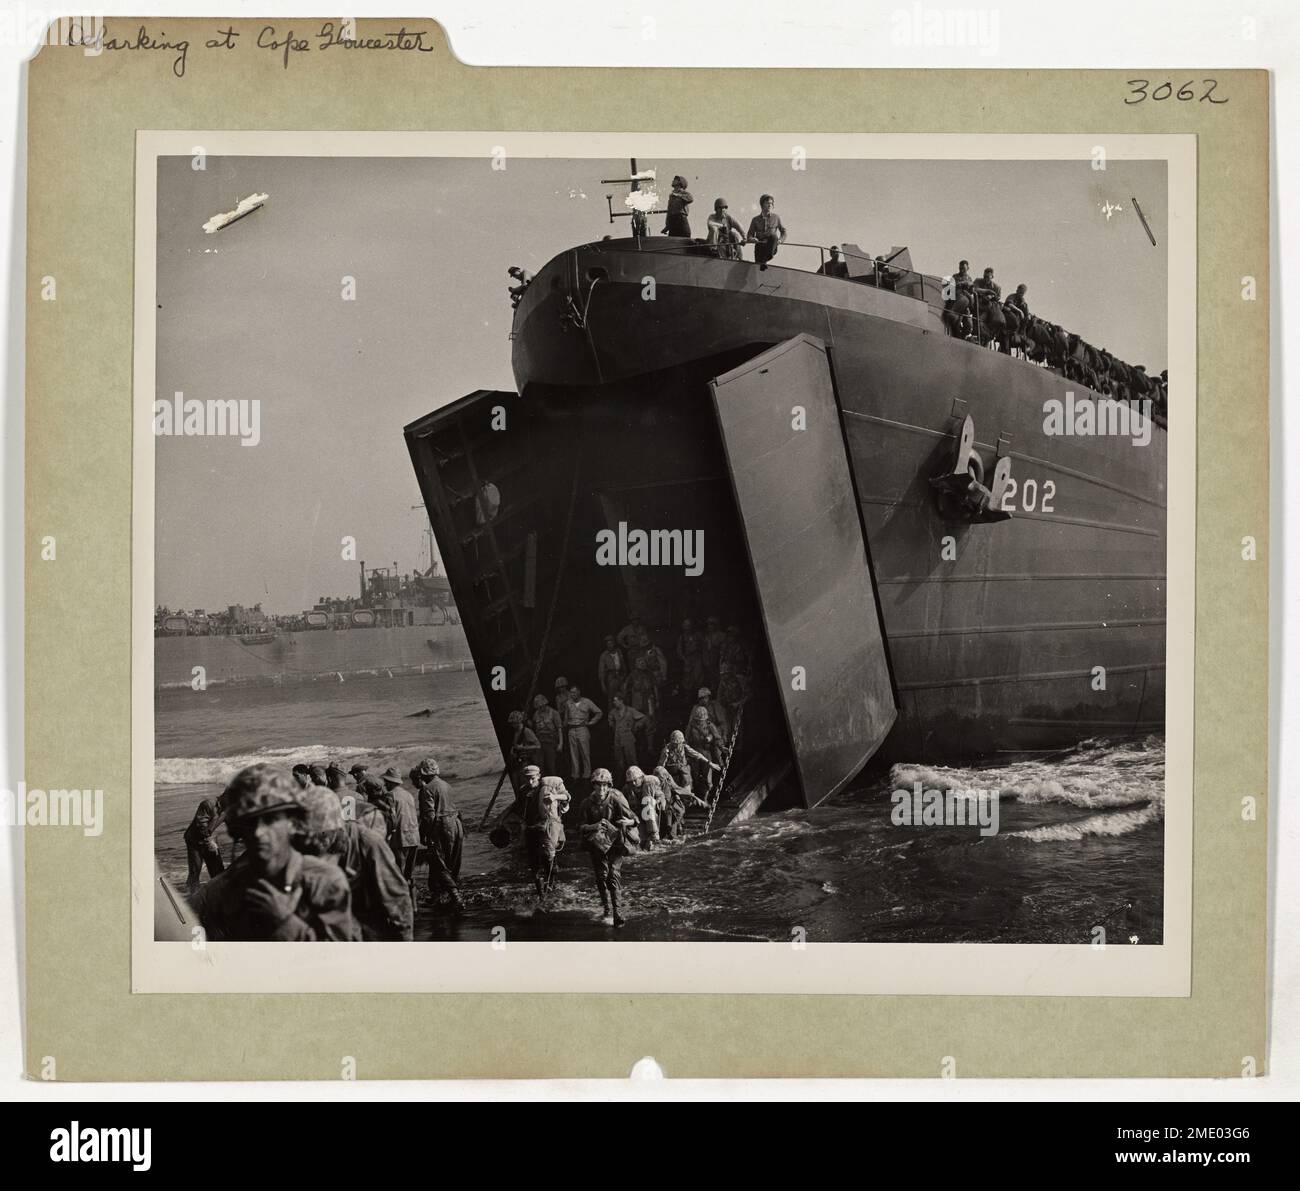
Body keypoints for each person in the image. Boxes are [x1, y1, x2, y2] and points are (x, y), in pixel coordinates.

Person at [190, 764, 356, 941]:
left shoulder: (325, 881)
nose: (260, 832)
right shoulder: (224, 886)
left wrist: (285, 921)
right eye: (251, 824)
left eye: (270, 820)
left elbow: (338, 951)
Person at [294, 786, 413, 942]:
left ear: (336, 825)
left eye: (322, 833)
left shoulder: (367, 842)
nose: (315, 840)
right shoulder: (301, 843)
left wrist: (405, 941)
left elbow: (396, 896)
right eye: (310, 834)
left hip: (367, 926)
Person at [578, 769, 637, 927]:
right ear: (593, 785)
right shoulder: (586, 803)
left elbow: (634, 819)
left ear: (609, 785)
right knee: (601, 876)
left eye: (605, 785)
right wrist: (594, 826)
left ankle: (618, 913)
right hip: (596, 845)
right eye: (598, 785)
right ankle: (606, 909)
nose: (601, 789)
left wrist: (628, 822)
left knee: (613, 875)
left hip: (616, 843)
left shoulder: (616, 799)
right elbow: (581, 827)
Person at [415, 758, 465, 909]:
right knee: (453, 861)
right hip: (456, 824)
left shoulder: (427, 789)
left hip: (441, 826)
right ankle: (440, 895)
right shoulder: (447, 785)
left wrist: (423, 834)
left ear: (424, 773)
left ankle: (456, 897)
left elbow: (429, 816)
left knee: (438, 861)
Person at [522, 767, 571, 909]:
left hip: (547, 825)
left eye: (533, 778)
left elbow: (567, 796)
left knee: (548, 856)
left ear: (539, 776)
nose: (531, 781)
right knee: (533, 862)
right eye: (528, 779)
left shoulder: (551, 785)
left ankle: (550, 884)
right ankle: (541, 894)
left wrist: (555, 797)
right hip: (531, 827)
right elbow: (519, 808)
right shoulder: (524, 791)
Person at [183, 790, 228, 896]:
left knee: (218, 872)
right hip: (194, 840)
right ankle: (190, 897)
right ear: (225, 795)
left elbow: (235, 824)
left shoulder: (229, 808)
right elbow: (201, 825)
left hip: (209, 839)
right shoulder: (207, 804)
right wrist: (210, 840)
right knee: (195, 870)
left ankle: (216, 897)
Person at [380, 766, 420, 883]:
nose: (384, 784)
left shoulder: (389, 796)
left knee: (399, 873)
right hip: (414, 836)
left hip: (400, 838)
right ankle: (411, 897)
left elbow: (390, 819)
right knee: (409, 874)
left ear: (389, 781)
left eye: (385, 781)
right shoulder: (409, 795)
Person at [657, 729, 719, 798]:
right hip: (673, 775)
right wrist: (665, 758)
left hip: (684, 774)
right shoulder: (666, 750)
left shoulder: (684, 747)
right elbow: (660, 767)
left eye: (678, 744)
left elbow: (697, 754)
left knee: (687, 794)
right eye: (675, 744)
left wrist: (709, 763)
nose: (676, 746)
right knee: (674, 795)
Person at [563, 683, 603, 782]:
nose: (572, 695)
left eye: (574, 692)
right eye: (571, 693)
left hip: (582, 729)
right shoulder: (568, 703)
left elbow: (599, 712)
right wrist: (564, 727)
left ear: (579, 692)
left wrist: (591, 722)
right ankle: (575, 775)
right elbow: (566, 717)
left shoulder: (587, 702)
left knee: (585, 753)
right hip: (571, 729)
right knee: (573, 754)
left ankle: (587, 774)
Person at [654, 764, 705, 840]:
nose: (661, 780)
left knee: (672, 828)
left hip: (670, 809)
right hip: (660, 810)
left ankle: (673, 835)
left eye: (662, 778)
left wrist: (692, 796)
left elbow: (677, 788)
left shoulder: (668, 780)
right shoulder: (653, 783)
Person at [624, 766, 663, 850]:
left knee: (647, 802)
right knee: (641, 843)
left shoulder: (649, 782)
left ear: (641, 777)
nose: (633, 783)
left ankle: (654, 837)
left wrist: (657, 801)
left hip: (652, 812)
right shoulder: (627, 789)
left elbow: (660, 796)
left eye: (635, 780)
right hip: (638, 815)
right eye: (631, 782)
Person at [607, 694, 646, 777]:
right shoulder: (613, 712)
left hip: (628, 737)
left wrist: (636, 726)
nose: (614, 702)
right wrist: (612, 725)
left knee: (631, 759)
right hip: (617, 738)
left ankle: (637, 776)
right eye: (613, 701)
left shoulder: (630, 710)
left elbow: (643, 718)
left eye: (615, 700)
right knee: (619, 760)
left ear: (621, 701)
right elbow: (610, 720)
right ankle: (621, 778)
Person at [746, 194, 787, 270]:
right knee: (758, 269)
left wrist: (780, 240)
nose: (770, 205)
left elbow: (784, 231)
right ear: (762, 205)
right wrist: (752, 239)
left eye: (771, 203)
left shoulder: (776, 217)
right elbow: (749, 235)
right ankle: (762, 263)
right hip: (760, 246)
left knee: (773, 236)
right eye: (767, 203)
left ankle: (764, 261)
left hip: (771, 245)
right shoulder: (755, 220)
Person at [530, 693, 563, 776]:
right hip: (539, 742)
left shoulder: (554, 713)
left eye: (542, 706)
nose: (540, 708)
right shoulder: (536, 714)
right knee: (540, 765)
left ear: (545, 703)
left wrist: (560, 744)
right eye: (538, 706)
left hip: (551, 741)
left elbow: (559, 729)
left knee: (551, 765)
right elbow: (534, 727)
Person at [507, 710, 542, 785]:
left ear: (518, 722)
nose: (512, 725)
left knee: (526, 783)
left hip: (526, 761)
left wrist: (523, 748)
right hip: (517, 761)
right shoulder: (515, 732)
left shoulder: (527, 731)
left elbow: (538, 745)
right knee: (515, 782)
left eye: (514, 723)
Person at [676, 618, 707, 691]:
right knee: (687, 678)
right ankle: (688, 695)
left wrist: (705, 659)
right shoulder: (682, 638)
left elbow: (704, 647)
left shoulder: (698, 635)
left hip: (697, 658)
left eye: (688, 625)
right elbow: (679, 651)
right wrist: (684, 659)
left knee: (698, 676)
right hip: (688, 659)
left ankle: (698, 694)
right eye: (685, 625)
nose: (687, 627)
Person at [597, 635, 626, 704]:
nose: (610, 645)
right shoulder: (604, 655)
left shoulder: (619, 652)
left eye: (611, 643)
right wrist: (603, 684)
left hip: (621, 676)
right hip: (611, 678)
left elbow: (623, 664)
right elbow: (601, 671)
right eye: (608, 644)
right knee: (612, 698)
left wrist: (624, 675)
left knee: (623, 696)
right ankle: (612, 714)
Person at [702, 616, 726, 688]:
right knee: (711, 679)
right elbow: (705, 650)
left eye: (712, 624)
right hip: (709, 662)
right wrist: (706, 661)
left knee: (720, 679)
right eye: (708, 624)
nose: (709, 626)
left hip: (718, 661)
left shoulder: (722, 635)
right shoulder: (706, 636)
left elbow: (723, 649)